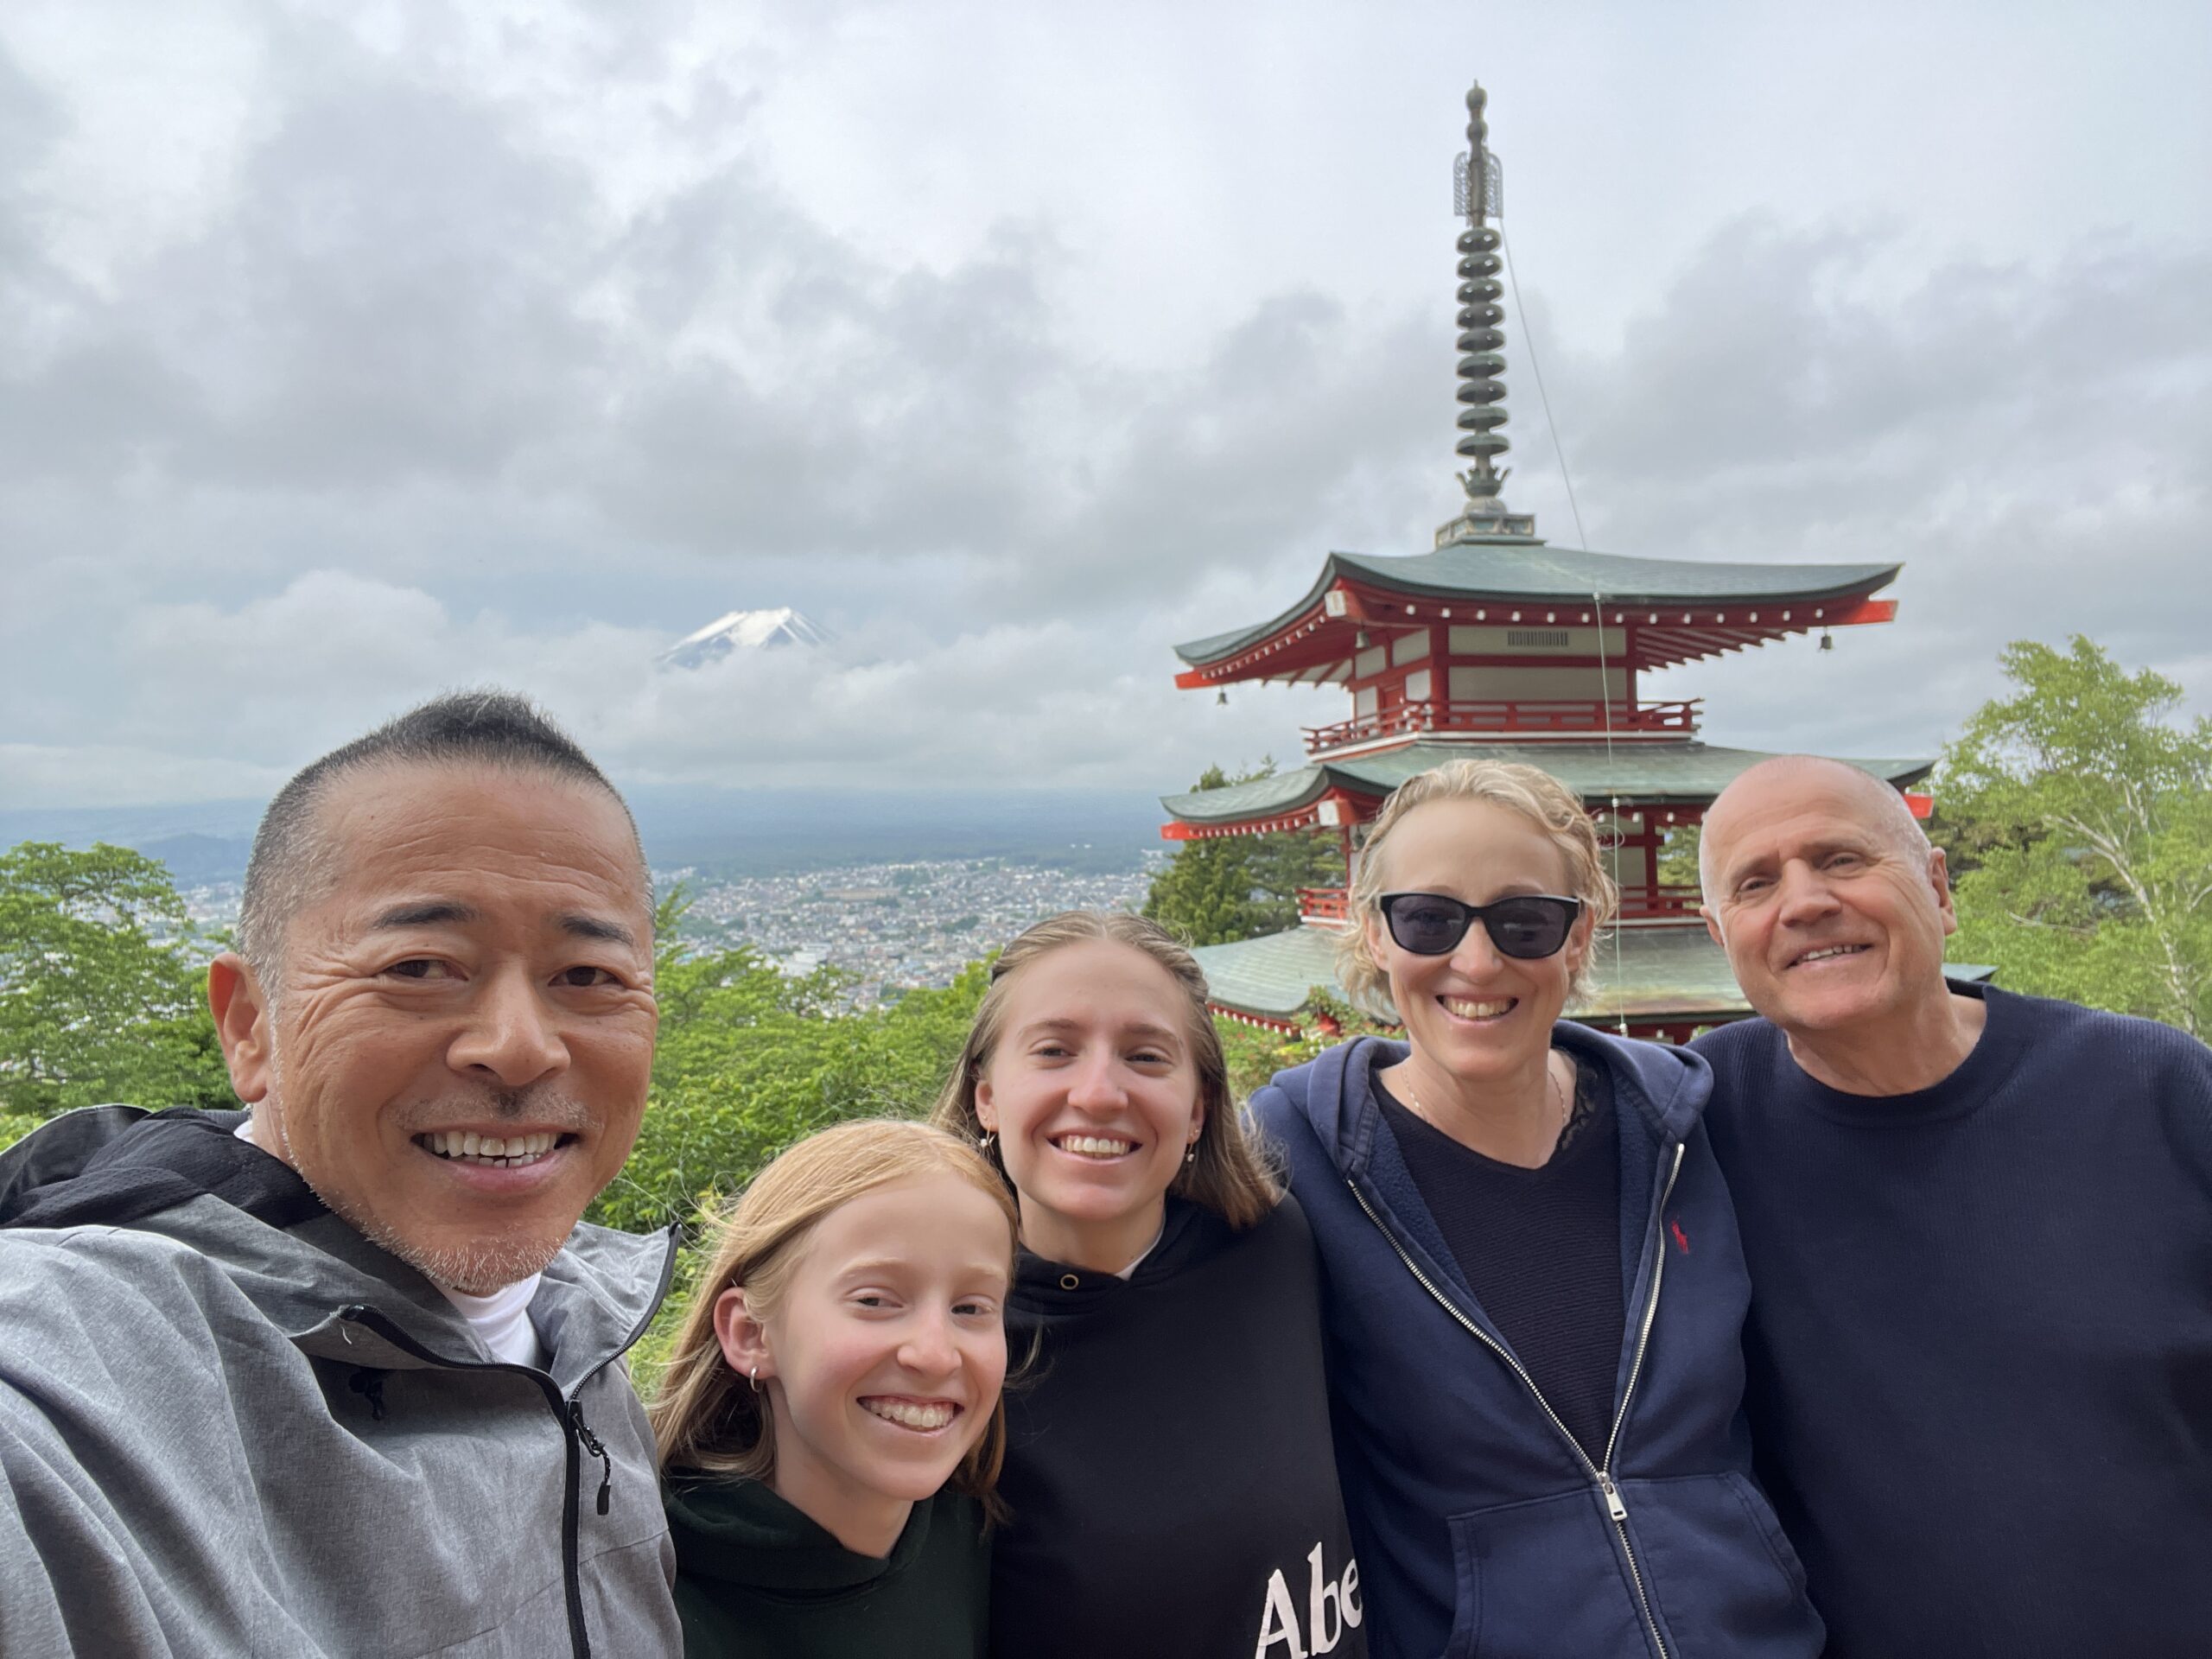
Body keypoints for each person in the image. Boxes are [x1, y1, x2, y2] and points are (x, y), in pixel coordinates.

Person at [0, 691, 683, 1659]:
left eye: (587, 977)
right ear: (249, 1026)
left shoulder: (586, 1328)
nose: (520, 1049)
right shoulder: (88, 1376)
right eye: (419, 966)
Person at [1252, 759, 1825, 1659]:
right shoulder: (1294, 1166)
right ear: (1375, 934)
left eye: (1523, 922)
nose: (1475, 962)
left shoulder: (1688, 1132)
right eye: (1428, 918)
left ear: (1577, 935)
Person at [1694, 753, 2212, 1659]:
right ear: (1720, 934)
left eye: (1843, 859)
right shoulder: (1692, 1123)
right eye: (1756, 882)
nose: (1804, 901)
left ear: (1937, 885)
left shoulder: (2148, 1084)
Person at [931, 912, 1364, 1659]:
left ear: (1198, 1108)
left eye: (1147, 1057)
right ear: (986, 1097)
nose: (1099, 1093)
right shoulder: (942, 1346)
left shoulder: (1274, 1249)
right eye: (1054, 1051)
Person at [649, 1119, 1016, 1657]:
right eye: (874, 1300)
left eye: (970, 1308)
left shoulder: (983, 1538)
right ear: (751, 1334)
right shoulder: (639, 1597)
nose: (936, 1354)